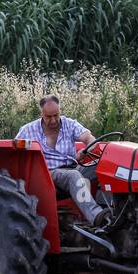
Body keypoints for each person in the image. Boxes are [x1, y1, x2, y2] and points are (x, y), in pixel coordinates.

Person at [15, 96, 108, 226]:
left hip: (73, 167)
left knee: (104, 164)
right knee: (73, 176)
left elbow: (90, 138)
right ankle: (97, 217)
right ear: (41, 113)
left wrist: (86, 150)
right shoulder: (28, 130)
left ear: (60, 111)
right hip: (49, 174)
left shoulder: (69, 124)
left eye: (56, 115)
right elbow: (15, 154)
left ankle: (113, 210)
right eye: (48, 116)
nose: (53, 120)